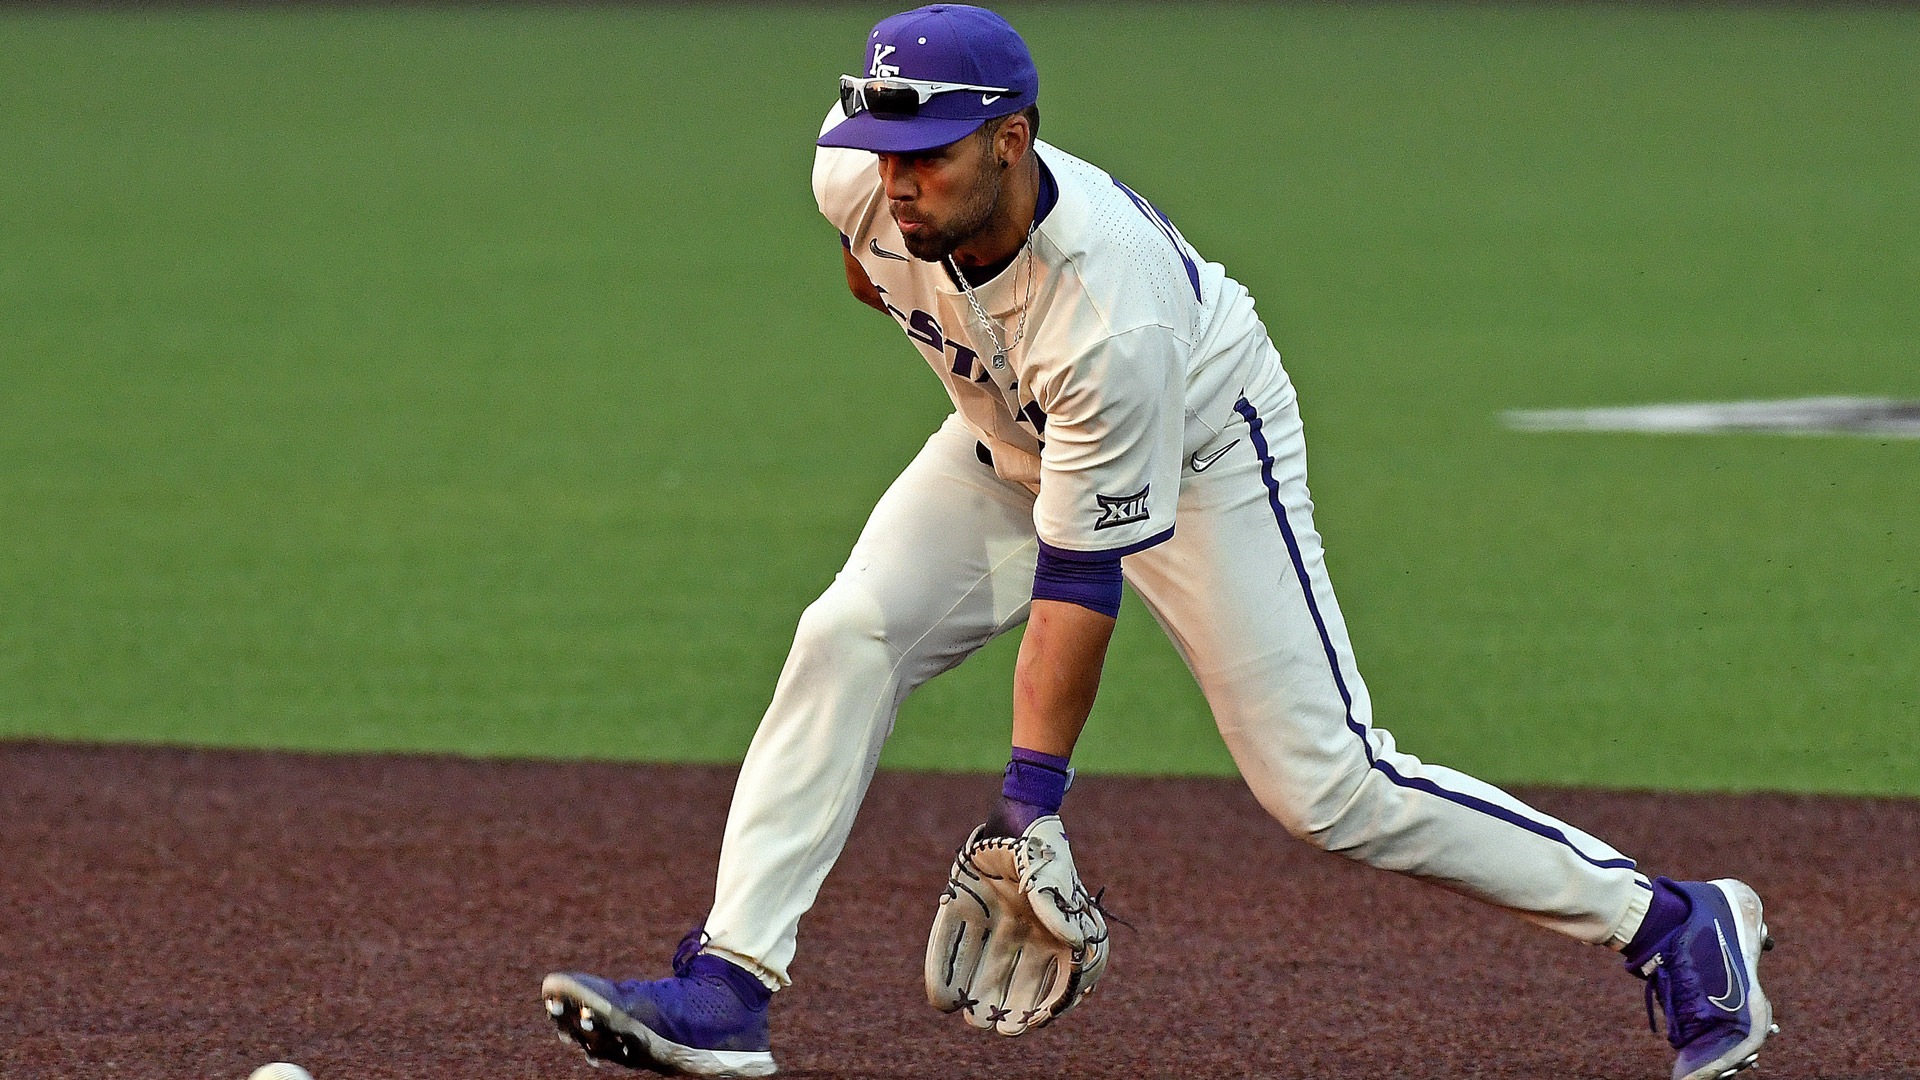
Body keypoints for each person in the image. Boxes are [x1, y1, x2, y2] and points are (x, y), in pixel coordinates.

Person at [540, 6, 1776, 1079]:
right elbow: (874, 268)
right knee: (847, 632)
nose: (897, 179)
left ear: (1010, 142)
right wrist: (917, 274)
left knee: (1324, 786)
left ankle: (1668, 922)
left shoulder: (1107, 313)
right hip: (1014, 438)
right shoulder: (854, 182)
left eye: (927, 154)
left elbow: (1083, 581)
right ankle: (727, 988)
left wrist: (1031, 805)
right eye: (883, 150)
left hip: (1197, 443)